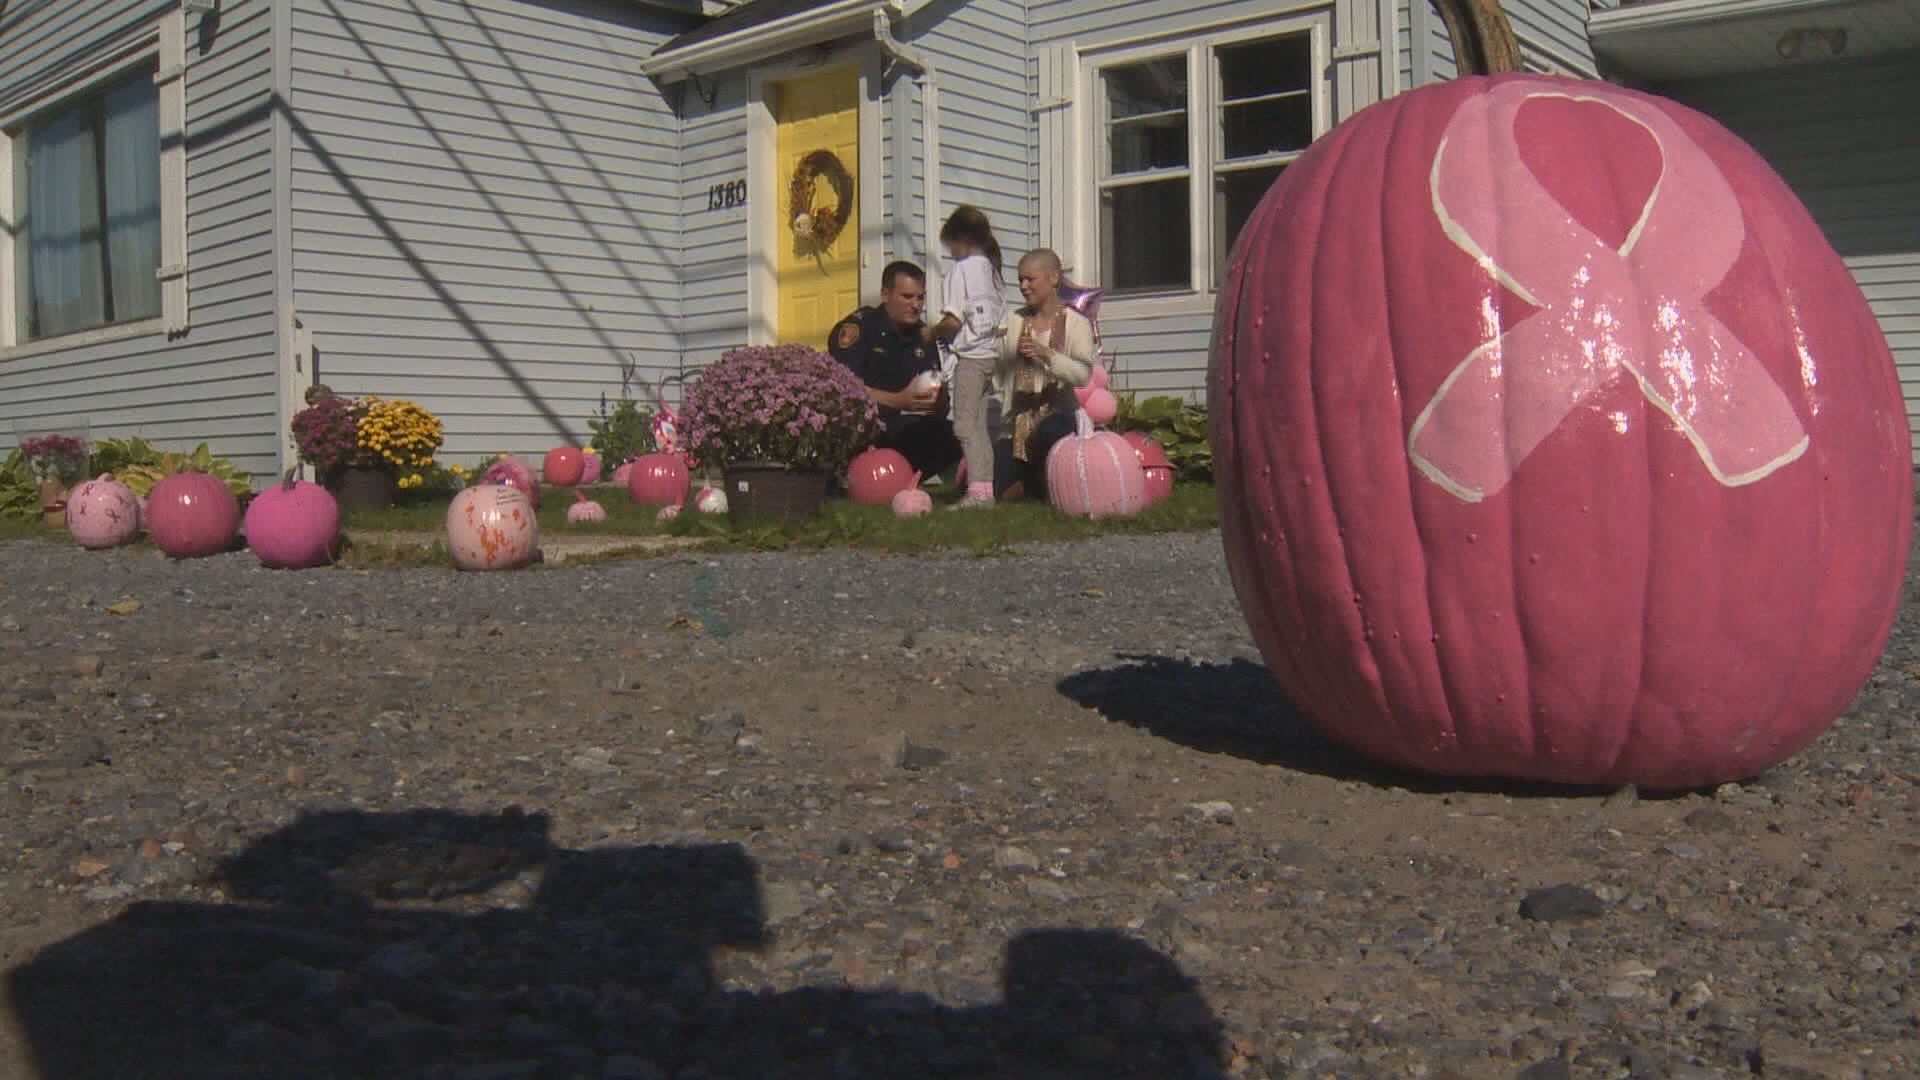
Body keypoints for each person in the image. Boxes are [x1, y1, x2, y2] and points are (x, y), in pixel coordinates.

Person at [826, 261, 961, 480]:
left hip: (901, 425)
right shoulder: (859, 329)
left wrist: (938, 403)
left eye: (920, 297)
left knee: (956, 436)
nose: (915, 305)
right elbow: (844, 390)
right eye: (907, 297)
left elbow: (935, 394)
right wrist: (898, 400)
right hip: (861, 425)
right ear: (885, 295)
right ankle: (853, 479)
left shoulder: (922, 335)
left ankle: (906, 481)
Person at [993, 248, 1094, 501]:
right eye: (1020, 281)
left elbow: (1083, 375)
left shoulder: (1076, 323)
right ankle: (1035, 484)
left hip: (1060, 418)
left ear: (1054, 279)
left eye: (1030, 279)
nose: (1024, 286)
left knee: (1050, 429)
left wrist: (1045, 354)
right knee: (996, 491)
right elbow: (996, 377)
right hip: (1019, 424)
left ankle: (1047, 483)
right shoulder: (1013, 322)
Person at [927, 206, 1008, 510]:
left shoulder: (960, 271)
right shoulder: (991, 271)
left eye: (950, 246)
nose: (950, 253)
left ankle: (976, 493)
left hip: (971, 358)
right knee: (978, 425)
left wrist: (930, 333)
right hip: (990, 357)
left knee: (963, 425)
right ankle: (985, 491)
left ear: (960, 239)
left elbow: (953, 321)